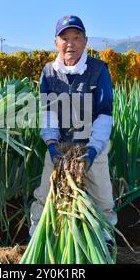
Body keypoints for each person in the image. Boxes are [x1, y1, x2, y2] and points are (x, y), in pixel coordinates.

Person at [30, 15, 118, 238]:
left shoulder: (98, 69)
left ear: (85, 41)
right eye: (65, 38)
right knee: (45, 195)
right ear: (56, 42)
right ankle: (37, 236)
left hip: (91, 145)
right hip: (59, 146)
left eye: (76, 37)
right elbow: (47, 112)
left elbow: (104, 114)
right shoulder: (49, 72)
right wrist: (51, 144)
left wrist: (92, 151)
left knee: (102, 198)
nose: (70, 43)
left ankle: (105, 241)